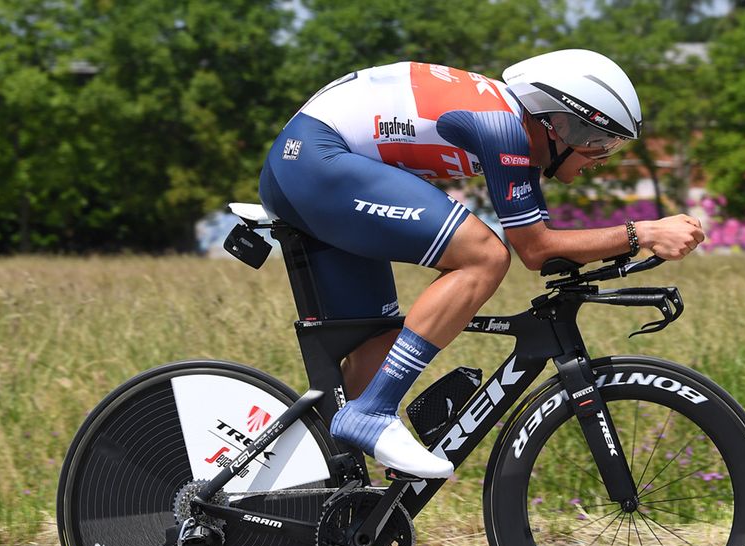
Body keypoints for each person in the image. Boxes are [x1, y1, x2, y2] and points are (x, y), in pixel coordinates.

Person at [258, 49, 704, 479]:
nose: (602, 156)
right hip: (314, 160)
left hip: (311, 163)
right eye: (596, 140)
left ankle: (316, 497)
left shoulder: (514, 128)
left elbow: (542, 244)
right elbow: (535, 249)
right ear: (555, 123)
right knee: (485, 256)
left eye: (611, 144)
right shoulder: (503, 127)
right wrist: (641, 233)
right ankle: (372, 412)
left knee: (379, 341)